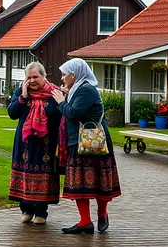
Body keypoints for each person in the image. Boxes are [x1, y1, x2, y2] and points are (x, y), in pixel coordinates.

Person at [51, 58, 122, 234]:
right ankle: (85, 221)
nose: (62, 78)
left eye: (64, 75)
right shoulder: (77, 89)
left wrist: (61, 101)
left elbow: (73, 113)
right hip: (79, 142)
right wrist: (67, 96)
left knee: (99, 182)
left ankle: (102, 214)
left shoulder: (87, 90)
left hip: (93, 142)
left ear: (74, 75)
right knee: (80, 184)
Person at [7, 61, 62, 225]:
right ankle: (26, 209)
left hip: (46, 144)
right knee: (24, 172)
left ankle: (41, 212)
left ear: (44, 76)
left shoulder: (54, 93)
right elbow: (12, 113)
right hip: (25, 143)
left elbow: (61, 115)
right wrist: (23, 97)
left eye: (35, 77)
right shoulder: (21, 92)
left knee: (44, 174)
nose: (31, 81)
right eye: (28, 77)